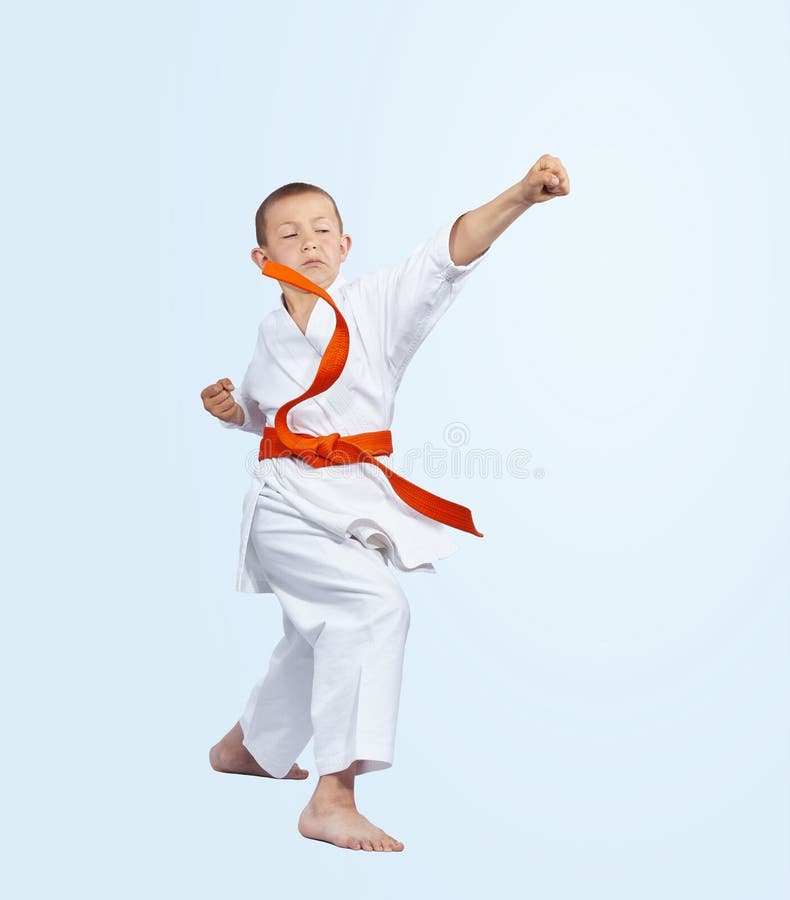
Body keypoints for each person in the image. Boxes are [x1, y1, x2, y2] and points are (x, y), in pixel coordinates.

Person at [201, 155, 570, 852]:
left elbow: (445, 254)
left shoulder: (376, 304)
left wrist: (521, 195)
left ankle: (248, 746)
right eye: (289, 234)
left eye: (321, 230)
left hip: (351, 500)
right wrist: (230, 411)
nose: (308, 242)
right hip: (284, 503)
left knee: (317, 634)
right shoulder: (270, 328)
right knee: (371, 610)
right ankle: (333, 795)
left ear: (345, 245)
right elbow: (265, 413)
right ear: (261, 256)